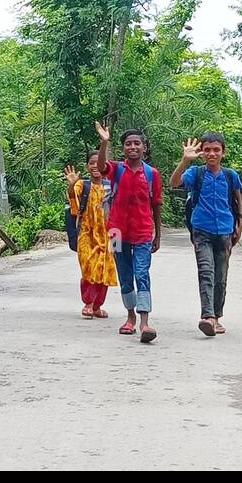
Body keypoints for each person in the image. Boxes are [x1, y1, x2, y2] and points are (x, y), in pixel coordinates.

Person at [94, 121, 162, 343]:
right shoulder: (117, 169)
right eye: (128, 144)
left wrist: (157, 234)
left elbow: (156, 205)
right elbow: (102, 167)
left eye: (137, 143)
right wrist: (104, 142)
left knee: (142, 274)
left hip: (143, 232)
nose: (133, 147)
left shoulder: (152, 174)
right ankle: (130, 317)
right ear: (123, 149)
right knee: (124, 275)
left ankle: (144, 322)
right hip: (116, 232)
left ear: (144, 147)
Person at [170, 133, 242, 337]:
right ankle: (208, 317)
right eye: (208, 149)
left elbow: (237, 200)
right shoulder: (196, 173)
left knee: (221, 277)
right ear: (201, 152)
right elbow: (173, 183)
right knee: (206, 273)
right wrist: (184, 161)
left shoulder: (231, 175)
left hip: (225, 231)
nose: (212, 153)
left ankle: (217, 317)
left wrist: (239, 225)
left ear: (223, 152)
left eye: (216, 150)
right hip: (202, 230)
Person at [64, 153, 117, 318]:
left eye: (98, 163)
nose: (95, 166)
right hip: (86, 234)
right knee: (88, 267)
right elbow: (73, 201)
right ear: (87, 166)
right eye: (91, 163)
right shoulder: (82, 185)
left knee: (104, 270)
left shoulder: (111, 186)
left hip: (108, 235)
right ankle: (88, 302)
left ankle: (97, 306)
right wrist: (71, 186)